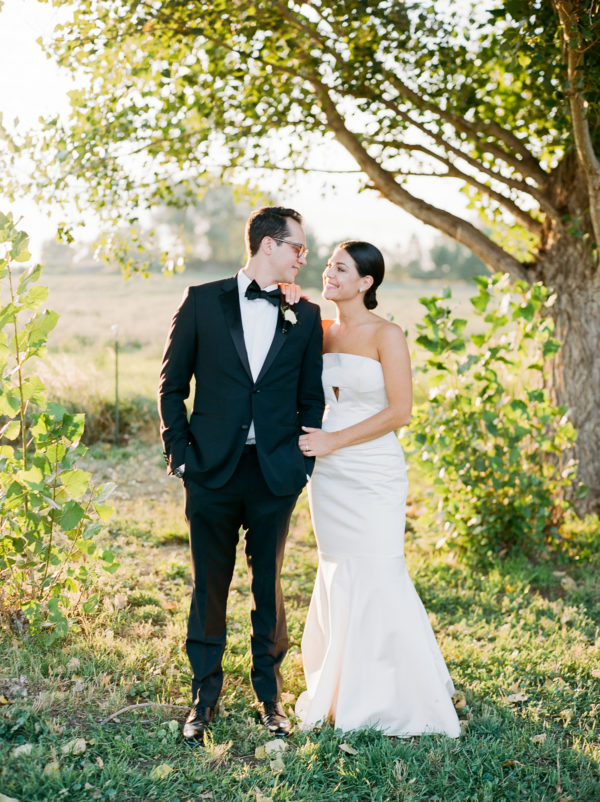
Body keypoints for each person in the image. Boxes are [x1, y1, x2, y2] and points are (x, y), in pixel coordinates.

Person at [158, 206, 325, 745]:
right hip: (210, 469)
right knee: (210, 585)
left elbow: (310, 397)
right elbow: (170, 387)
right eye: (297, 247)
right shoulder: (202, 301)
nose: (303, 257)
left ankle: (270, 699)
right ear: (268, 245)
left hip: (275, 473)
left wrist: (303, 462)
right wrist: (180, 455)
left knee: (269, 587)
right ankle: (203, 699)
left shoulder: (305, 313)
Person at [295, 240, 460, 738]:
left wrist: (333, 441)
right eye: (327, 266)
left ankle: (398, 694)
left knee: (380, 568)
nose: (329, 273)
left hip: (371, 468)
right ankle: (341, 686)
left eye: (340, 269)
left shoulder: (388, 334)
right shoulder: (319, 331)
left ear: (366, 282)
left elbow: (399, 413)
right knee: (337, 568)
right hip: (328, 476)